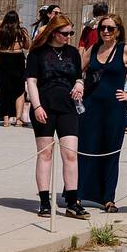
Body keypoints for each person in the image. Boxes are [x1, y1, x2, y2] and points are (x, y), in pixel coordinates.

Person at [77, 14, 127, 211]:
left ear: (118, 30)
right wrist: (78, 84)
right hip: (90, 106)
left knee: (110, 151)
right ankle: (80, 193)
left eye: (110, 28)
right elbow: (77, 69)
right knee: (86, 148)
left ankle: (108, 197)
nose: (106, 32)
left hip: (114, 108)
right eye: (102, 28)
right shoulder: (94, 49)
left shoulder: (124, 50)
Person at [25, 12, 86, 219]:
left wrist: (79, 83)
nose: (68, 37)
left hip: (68, 107)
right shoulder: (38, 53)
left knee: (70, 154)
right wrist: (36, 106)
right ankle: (44, 201)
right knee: (45, 154)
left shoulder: (73, 53)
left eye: (71, 33)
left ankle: (72, 201)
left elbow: (78, 76)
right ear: (53, 32)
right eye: (64, 33)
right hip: (45, 106)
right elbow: (31, 81)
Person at [0, 10, 30, 127]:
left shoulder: (1, 29)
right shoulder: (21, 31)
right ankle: (18, 119)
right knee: (19, 90)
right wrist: (18, 22)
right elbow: (27, 46)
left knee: (4, 90)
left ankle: (6, 119)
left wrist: (9, 20)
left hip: (4, 58)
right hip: (17, 59)